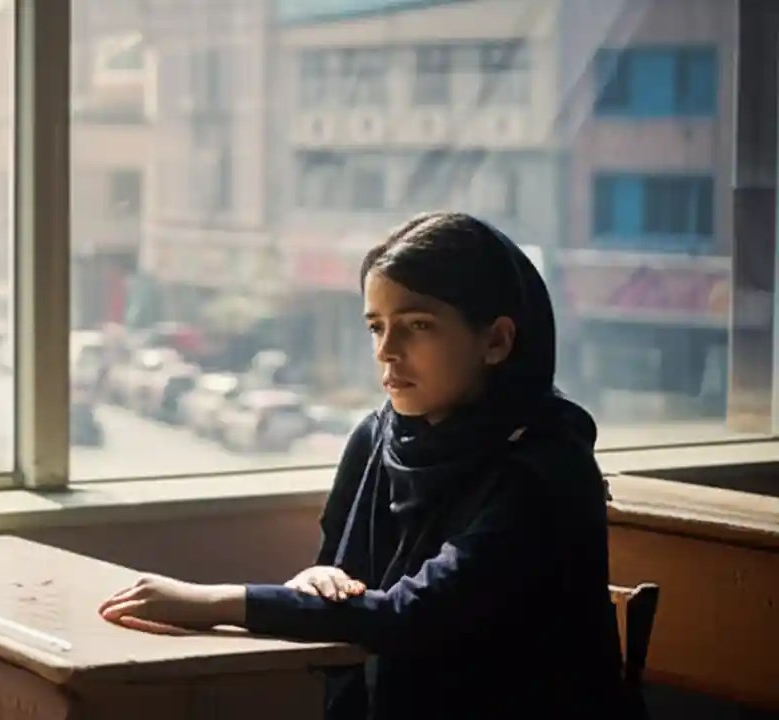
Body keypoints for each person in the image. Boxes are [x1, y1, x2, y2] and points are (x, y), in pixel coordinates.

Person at [98, 213, 625, 719]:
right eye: (376, 326)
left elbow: (413, 616)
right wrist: (318, 581)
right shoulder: (377, 437)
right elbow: (341, 582)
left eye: (418, 325)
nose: (387, 351)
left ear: (496, 340)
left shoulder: (547, 467)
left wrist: (209, 601)